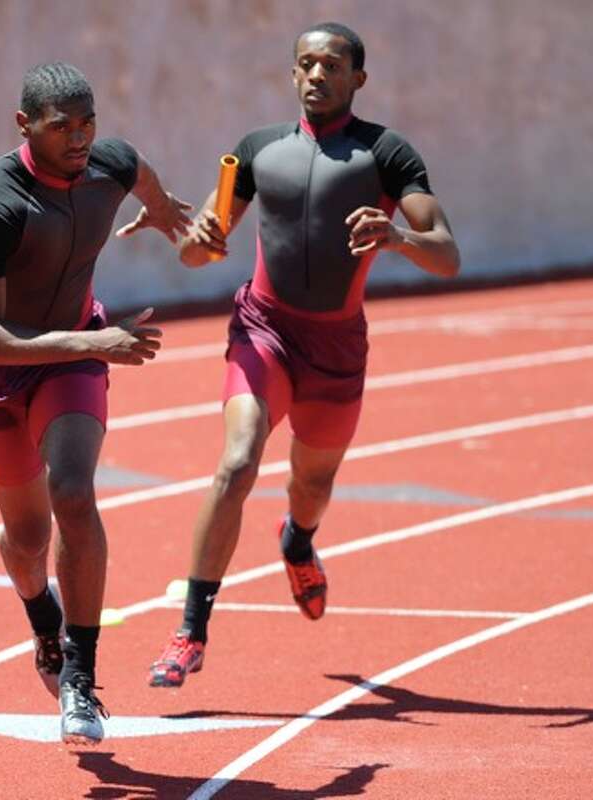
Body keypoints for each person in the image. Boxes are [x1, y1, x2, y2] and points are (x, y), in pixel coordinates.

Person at [148, 23, 460, 688]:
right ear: (293, 74)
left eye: (332, 65)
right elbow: (198, 251)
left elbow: (447, 253)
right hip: (264, 331)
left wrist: (399, 237)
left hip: (336, 348)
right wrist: (198, 238)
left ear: (358, 79)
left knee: (311, 486)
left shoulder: (387, 154)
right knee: (236, 464)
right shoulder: (256, 152)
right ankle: (190, 630)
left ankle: (297, 538)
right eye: (306, 64)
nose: (316, 75)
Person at [0, 62, 190, 742]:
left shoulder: (106, 164)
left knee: (76, 495)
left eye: (89, 122)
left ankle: (79, 680)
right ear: (24, 125)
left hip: (75, 360)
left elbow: (137, 167)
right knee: (27, 542)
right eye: (63, 126)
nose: (80, 137)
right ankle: (43, 625)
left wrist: (167, 209)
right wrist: (94, 341)